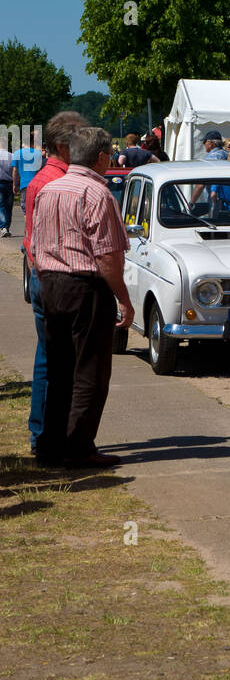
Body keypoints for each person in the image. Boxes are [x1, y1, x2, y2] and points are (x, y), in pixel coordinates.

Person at [31, 126, 133, 469]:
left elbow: (35, 243)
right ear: (102, 157)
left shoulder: (49, 189)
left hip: (51, 283)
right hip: (85, 285)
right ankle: (77, 447)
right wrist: (123, 298)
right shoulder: (97, 193)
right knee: (90, 370)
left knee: (58, 369)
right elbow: (108, 256)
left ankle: (50, 446)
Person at [23, 110, 87, 453]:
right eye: (79, 140)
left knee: (50, 358)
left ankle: (45, 433)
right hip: (52, 278)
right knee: (54, 361)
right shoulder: (52, 182)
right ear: (63, 146)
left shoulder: (45, 179)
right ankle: (46, 435)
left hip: (44, 275)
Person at [12, 130, 43, 214]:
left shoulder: (17, 153)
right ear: (32, 142)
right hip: (36, 184)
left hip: (24, 184)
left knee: (26, 209)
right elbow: (39, 170)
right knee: (36, 208)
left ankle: (27, 222)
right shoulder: (38, 153)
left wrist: (14, 184)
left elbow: (15, 171)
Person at [0, 135, 13, 236]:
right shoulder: (12, 155)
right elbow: (15, 170)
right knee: (9, 206)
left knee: (1, 205)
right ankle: (6, 227)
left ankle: (3, 227)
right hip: (10, 183)